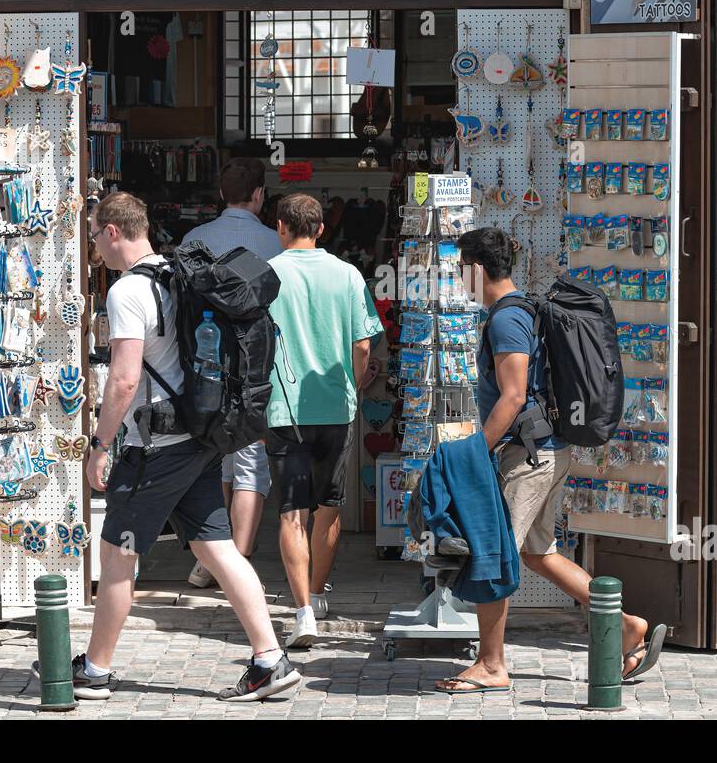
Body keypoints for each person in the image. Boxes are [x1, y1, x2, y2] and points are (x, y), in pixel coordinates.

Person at [40, 192, 300, 702]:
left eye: (94, 235)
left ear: (113, 232)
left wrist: (99, 445)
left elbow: (122, 379)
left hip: (154, 450)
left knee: (118, 553)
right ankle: (270, 659)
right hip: (198, 438)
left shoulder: (127, 292)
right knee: (217, 548)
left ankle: (94, 670)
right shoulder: (178, 273)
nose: (94, 247)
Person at [434, 228, 666, 694]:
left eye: (461, 269)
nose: (460, 279)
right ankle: (626, 627)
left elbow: (514, 394)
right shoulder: (522, 309)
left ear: (477, 269)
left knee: (492, 556)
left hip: (527, 456)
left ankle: (492, 665)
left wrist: (476, 453)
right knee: (537, 552)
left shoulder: (505, 320)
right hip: (546, 450)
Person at [266, 193, 383, 649]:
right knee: (328, 508)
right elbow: (363, 346)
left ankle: (302, 613)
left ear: (279, 227)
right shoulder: (349, 274)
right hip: (335, 405)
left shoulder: (268, 274)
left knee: (291, 510)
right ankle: (316, 594)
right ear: (321, 229)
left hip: (284, 407)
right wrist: (351, 387)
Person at [180, 157, 282, 589]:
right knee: (249, 460)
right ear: (259, 195)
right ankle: (237, 559)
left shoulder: (194, 238)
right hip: (255, 362)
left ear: (222, 194)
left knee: (213, 461)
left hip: (204, 362)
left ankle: (211, 560)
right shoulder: (273, 242)